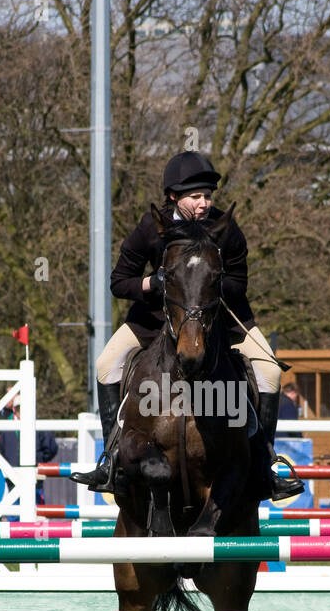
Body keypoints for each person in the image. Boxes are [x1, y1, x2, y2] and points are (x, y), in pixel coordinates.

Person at [71, 151, 303, 501]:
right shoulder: (152, 227)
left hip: (223, 319)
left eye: (208, 196)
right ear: (173, 197)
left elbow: (239, 283)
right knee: (106, 364)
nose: (204, 203)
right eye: (196, 196)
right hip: (155, 319)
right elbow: (120, 282)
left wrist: (203, 284)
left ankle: (263, 465)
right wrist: (154, 284)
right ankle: (113, 459)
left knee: (270, 372)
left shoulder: (225, 228)